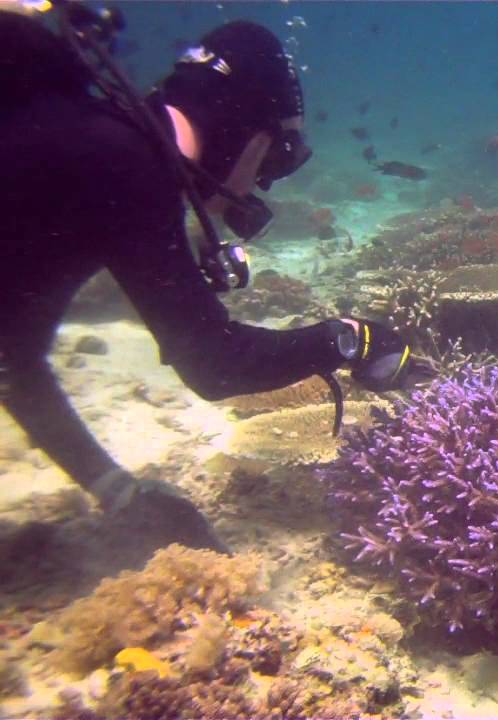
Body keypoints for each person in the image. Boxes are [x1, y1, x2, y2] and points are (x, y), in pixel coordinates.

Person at [0, 7, 412, 554]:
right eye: (275, 162)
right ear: (249, 134)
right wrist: (353, 338)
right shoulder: (122, 165)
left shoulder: (89, 140)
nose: (262, 183)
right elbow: (213, 364)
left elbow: (14, 359)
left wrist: (117, 490)